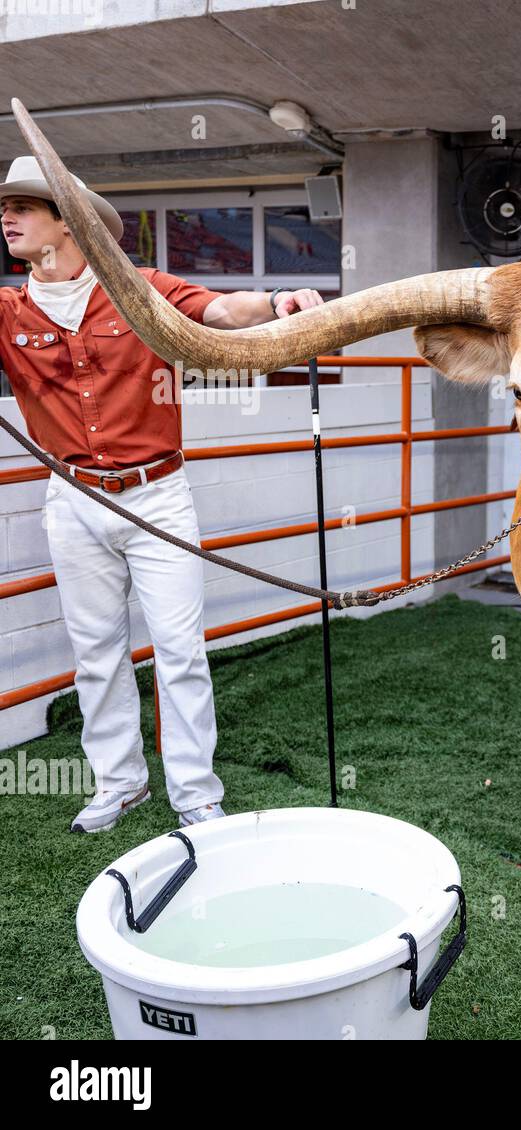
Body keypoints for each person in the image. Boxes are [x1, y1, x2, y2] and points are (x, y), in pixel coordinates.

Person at [0, 155, 323, 833]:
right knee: (95, 651)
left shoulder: (142, 289)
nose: (7, 217)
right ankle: (119, 786)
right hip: (71, 499)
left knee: (180, 649)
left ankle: (196, 795)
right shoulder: (8, 311)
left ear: (71, 222)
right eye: (7, 206)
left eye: (25, 205)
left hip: (157, 496)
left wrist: (277, 302)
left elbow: (221, 309)